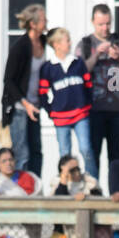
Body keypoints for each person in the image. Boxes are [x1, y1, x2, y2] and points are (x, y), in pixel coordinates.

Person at [79, 4, 119, 180]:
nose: (105, 28)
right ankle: (94, 190)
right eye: (100, 24)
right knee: (93, 153)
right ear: (93, 22)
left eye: (107, 23)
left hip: (118, 109)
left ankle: (116, 189)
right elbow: (79, 72)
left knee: (116, 155)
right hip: (94, 109)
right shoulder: (85, 43)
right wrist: (96, 55)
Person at [39, 27, 97, 178]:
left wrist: (88, 105)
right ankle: (66, 182)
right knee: (65, 153)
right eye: (67, 40)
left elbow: (88, 85)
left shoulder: (78, 63)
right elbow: (42, 93)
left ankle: (92, 182)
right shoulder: (48, 67)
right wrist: (50, 111)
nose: (70, 43)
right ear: (56, 44)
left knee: (85, 149)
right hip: (60, 117)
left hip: (80, 114)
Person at [2, 4, 48, 177]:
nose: (46, 22)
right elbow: (9, 80)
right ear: (33, 24)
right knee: (22, 152)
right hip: (20, 108)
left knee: (36, 150)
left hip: (35, 106)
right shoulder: (20, 47)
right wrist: (25, 102)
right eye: (43, 20)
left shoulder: (43, 41)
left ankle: (35, 186)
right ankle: (22, 191)